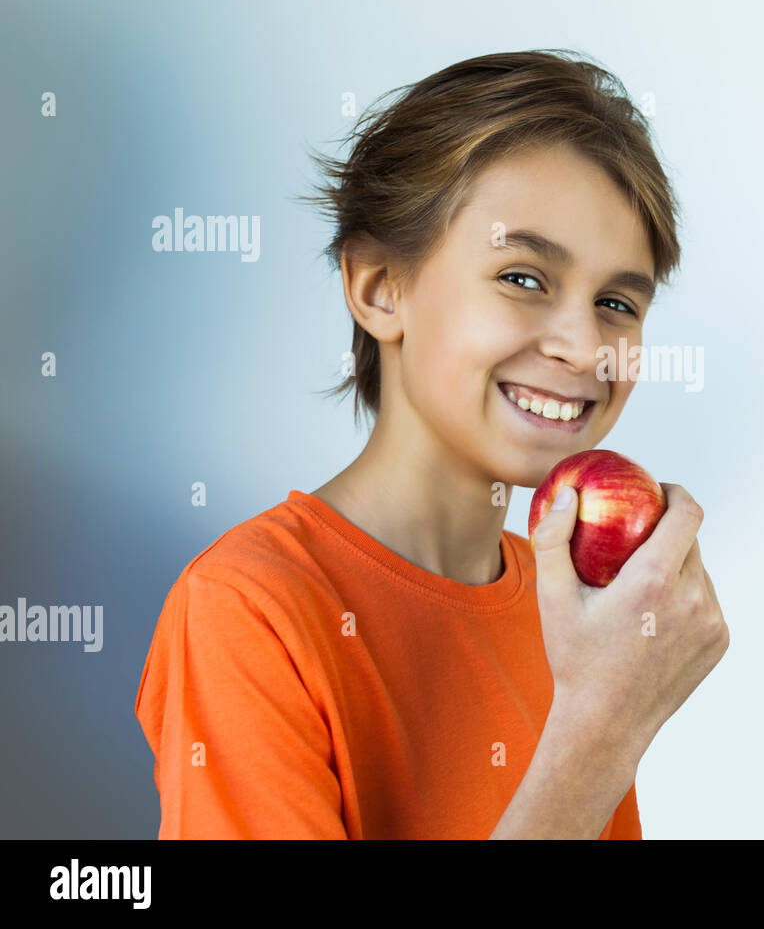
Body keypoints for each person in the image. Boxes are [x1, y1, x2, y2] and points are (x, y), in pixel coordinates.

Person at [133, 49, 730, 839]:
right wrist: (600, 735)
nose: (587, 348)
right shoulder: (249, 609)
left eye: (618, 302)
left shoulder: (581, 617)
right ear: (381, 288)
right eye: (523, 278)